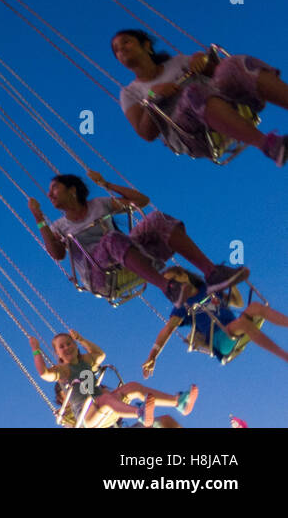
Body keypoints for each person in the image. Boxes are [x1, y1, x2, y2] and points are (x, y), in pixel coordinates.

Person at [28, 170, 247, 306]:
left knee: (156, 218)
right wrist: (40, 219)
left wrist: (106, 185)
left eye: (55, 188)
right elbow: (57, 254)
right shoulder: (59, 226)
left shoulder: (99, 204)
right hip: (99, 276)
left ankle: (212, 272)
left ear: (72, 190)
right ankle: (167, 287)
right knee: (111, 238)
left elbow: (141, 201)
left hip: (123, 254)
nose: (49, 194)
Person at [111, 29, 288, 165]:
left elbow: (218, 75)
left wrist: (202, 61)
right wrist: (153, 96)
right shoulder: (129, 93)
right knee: (193, 93)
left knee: (232, 64)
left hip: (227, 107)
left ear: (147, 45)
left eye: (126, 42)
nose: (122, 50)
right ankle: (269, 145)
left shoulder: (178, 62)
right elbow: (146, 133)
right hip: (194, 135)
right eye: (117, 50)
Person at [32, 330, 197, 428]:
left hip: (106, 410)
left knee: (132, 388)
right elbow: (44, 373)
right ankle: (139, 412)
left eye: (69, 343)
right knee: (104, 398)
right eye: (61, 347)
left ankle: (178, 402)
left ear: (75, 346)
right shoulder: (63, 371)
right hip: (88, 417)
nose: (67, 347)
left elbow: (100, 355)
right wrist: (36, 350)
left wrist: (81, 339)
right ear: (57, 354)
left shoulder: (85, 362)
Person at [144, 267, 288, 373]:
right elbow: (168, 329)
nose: (172, 287)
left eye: (172, 281)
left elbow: (237, 303)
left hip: (234, 327)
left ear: (183, 275)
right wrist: (153, 355)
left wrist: (230, 283)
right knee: (242, 324)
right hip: (220, 340)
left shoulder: (207, 289)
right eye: (169, 286)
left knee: (256, 306)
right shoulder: (183, 306)